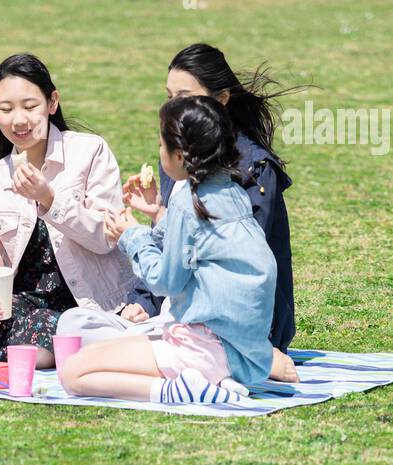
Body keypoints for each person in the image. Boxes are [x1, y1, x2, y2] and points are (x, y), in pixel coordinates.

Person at [58, 43, 298, 380]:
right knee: (73, 323)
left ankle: (252, 361)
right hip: (193, 317)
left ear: (222, 99)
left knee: (77, 363)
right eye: (169, 96)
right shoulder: (197, 169)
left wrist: (134, 236)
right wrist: (157, 215)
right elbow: (196, 243)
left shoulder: (251, 169)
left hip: (222, 330)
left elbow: (211, 271)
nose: (173, 107)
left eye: (183, 97)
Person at [0, 54, 138, 366]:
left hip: (86, 303)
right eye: (6, 109)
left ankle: (68, 344)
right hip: (25, 307)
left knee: (52, 330)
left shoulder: (90, 151)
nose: (19, 120)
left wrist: (50, 201)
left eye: (30, 106)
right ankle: (61, 349)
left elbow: (107, 237)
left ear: (52, 102)